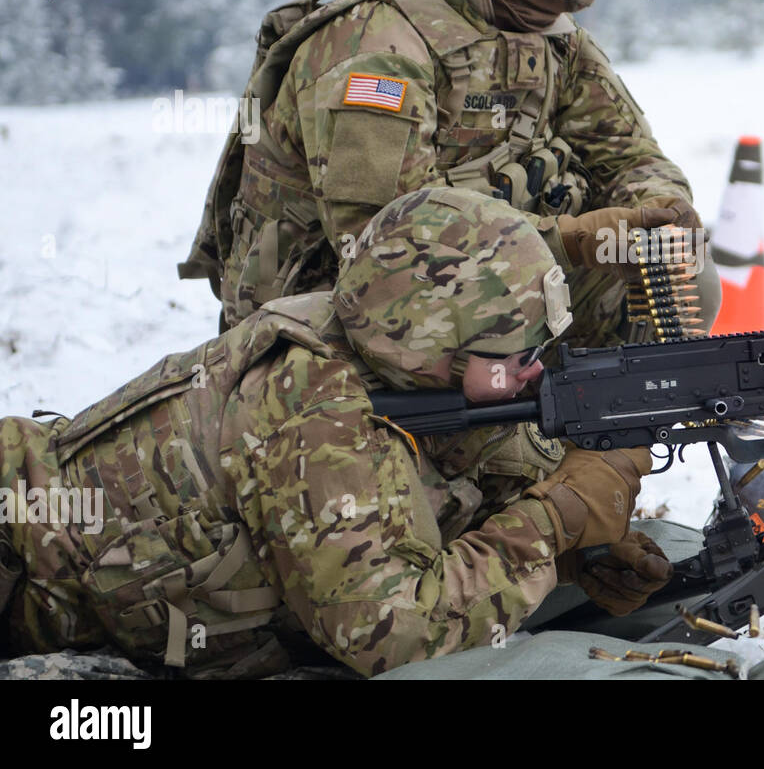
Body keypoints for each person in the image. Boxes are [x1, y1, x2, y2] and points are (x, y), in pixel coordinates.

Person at [0, 188, 672, 679]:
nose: (535, 368)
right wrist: (552, 522)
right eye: (515, 352)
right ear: (436, 354)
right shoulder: (321, 422)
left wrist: (573, 556)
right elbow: (396, 637)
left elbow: (421, 494)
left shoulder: (379, 334)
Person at [178, 0, 721, 349]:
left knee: (682, 275)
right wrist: (575, 242)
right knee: (501, 293)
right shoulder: (378, 44)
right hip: (340, 338)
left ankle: (575, 416)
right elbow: (382, 254)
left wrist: (657, 217)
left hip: (494, 304)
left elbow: (632, 158)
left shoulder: (552, 36)